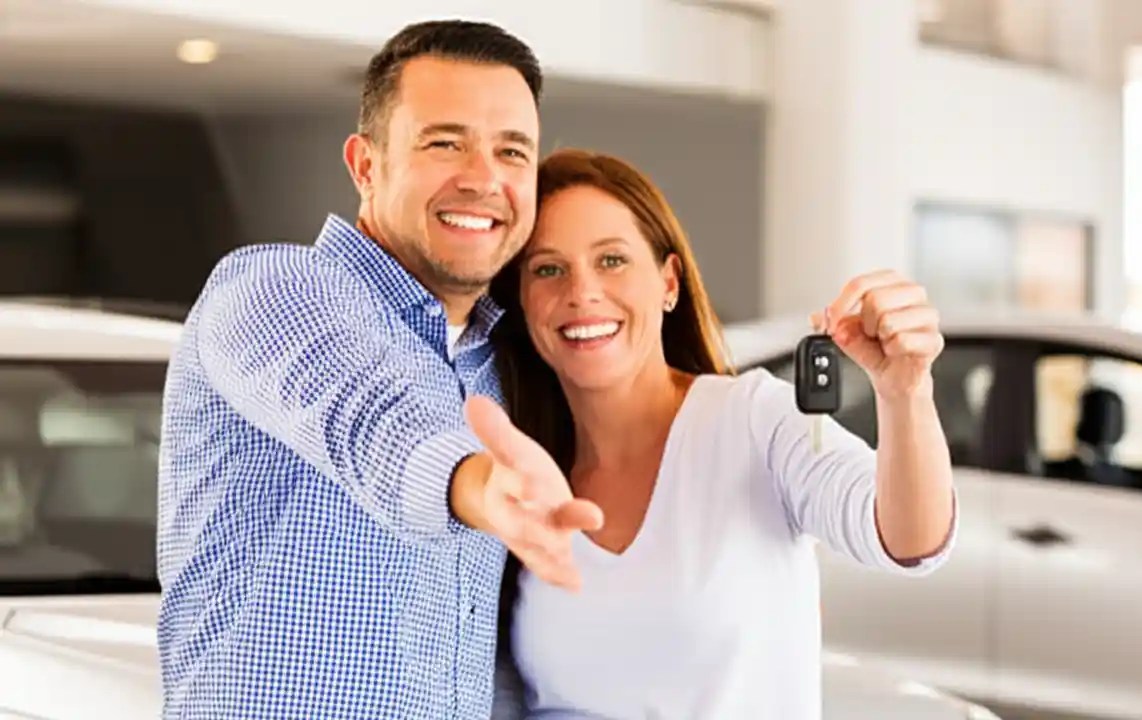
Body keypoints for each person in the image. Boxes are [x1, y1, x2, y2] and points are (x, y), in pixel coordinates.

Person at [156, 21, 601, 719]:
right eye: (444, 142)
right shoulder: (272, 288)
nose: (484, 178)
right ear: (366, 165)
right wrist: (478, 485)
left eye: (512, 151)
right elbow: (370, 419)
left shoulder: (503, 362)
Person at [470, 148, 958, 719]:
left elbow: (908, 539)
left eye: (612, 261)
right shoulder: (523, 476)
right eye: (548, 269)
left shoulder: (754, 420)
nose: (581, 292)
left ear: (669, 282)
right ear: (523, 302)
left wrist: (906, 394)